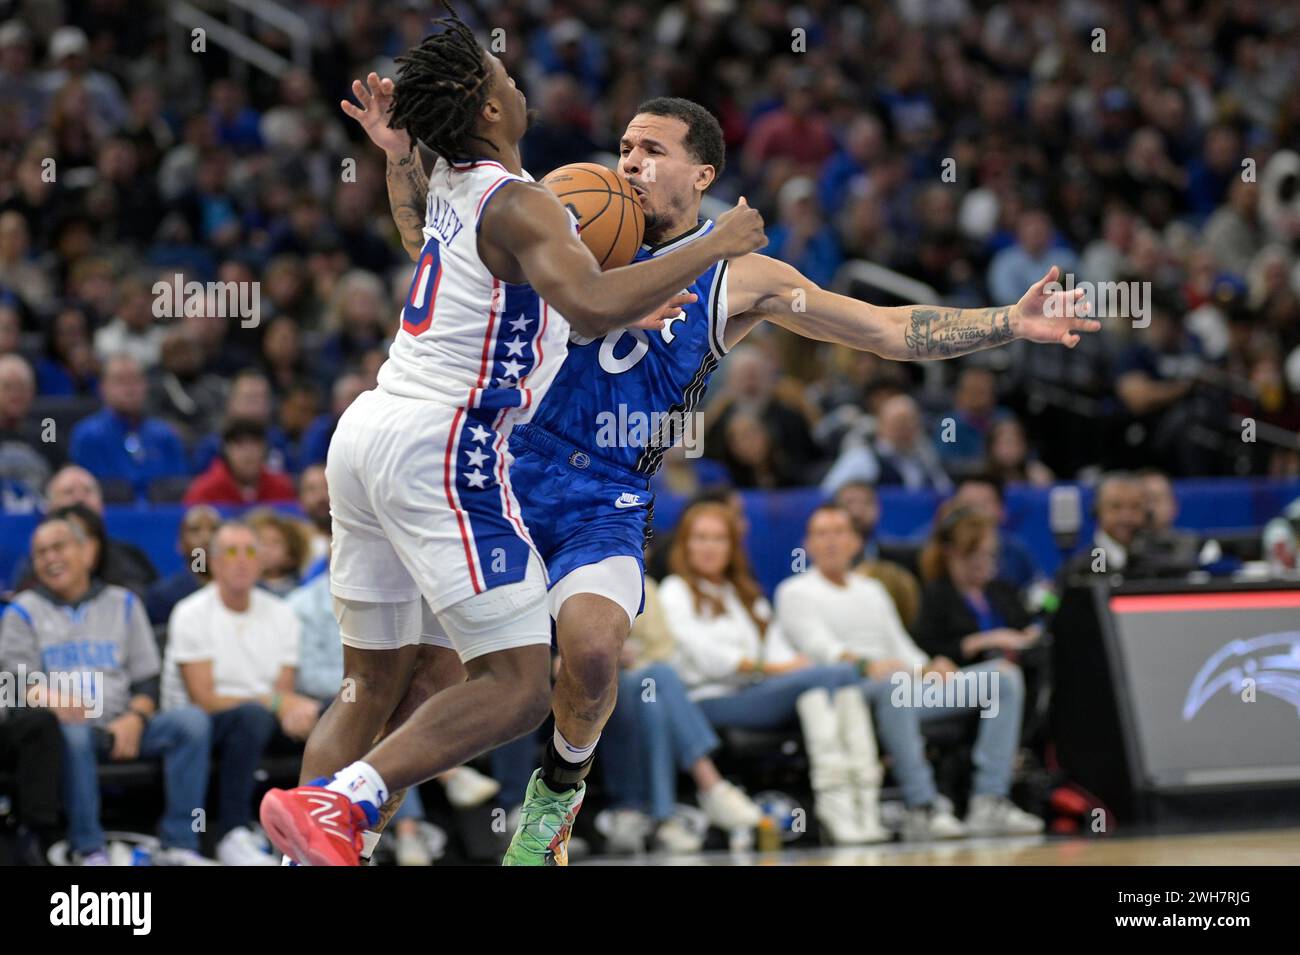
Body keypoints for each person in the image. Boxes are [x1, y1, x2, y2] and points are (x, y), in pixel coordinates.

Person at [366, 85, 1095, 864]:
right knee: (432, 683)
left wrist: (1008, 323)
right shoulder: (565, 222)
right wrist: (401, 159)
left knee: (594, 653)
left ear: (703, 173)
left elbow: (882, 330)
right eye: (625, 146)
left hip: (605, 492)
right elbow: (434, 245)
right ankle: (358, 826)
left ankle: (555, 799)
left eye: (654, 150)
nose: (632, 160)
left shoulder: (737, 275)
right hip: (507, 469)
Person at [259, 6, 765, 868]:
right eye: (504, 82)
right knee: (522, 682)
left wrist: (397, 158)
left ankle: (303, 849)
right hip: (441, 444)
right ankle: (347, 802)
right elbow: (592, 303)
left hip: (366, 431)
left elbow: (423, 235)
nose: (518, 85)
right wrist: (717, 241)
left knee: (370, 682)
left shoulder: (457, 182)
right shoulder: (526, 203)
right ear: (490, 113)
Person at [776, 505, 1044, 839]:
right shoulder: (795, 591)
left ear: (856, 542)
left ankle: (989, 799)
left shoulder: (871, 590)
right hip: (848, 692)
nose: (831, 541)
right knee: (892, 686)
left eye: (839, 532)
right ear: (808, 544)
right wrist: (865, 664)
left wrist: (930, 665)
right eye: (821, 534)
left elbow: (900, 645)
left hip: (900, 685)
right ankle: (922, 805)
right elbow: (819, 648)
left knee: (1002, 678)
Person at [662, 501, 889, 844]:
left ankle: (862, 805)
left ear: (732, 546)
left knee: (832, 678)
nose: (709, 547)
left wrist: (789, 665)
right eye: (700, 538)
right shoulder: (674, 591)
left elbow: (775, 644)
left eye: (719, 539)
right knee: (832, 675)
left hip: (757, 691)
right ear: (685, 544)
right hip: (708, 699)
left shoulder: (743, 592)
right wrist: (773, 668)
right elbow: (705, 656)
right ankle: (836, 803)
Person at [0, 516, 214, 865]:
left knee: (191, 723)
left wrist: (136, 718)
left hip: (123, 725)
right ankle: (89, 848)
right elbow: (14, 682)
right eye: (40, 552)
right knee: (71, 733)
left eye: (59, 547)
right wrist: (54, 701)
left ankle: (181, 843)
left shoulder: (124, 603)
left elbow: (147, 679)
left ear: (86, 552)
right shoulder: (21, 611)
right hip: (68, 730)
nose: (50, 558)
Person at [162, 521, 312, 865]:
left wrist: (295, 708)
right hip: (201, 728)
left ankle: (326, 832)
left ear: (261, 562)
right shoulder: (190, 612)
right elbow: (205, 698)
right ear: (212, 562)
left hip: (265, 719)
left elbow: (285, 694)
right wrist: (269, 701)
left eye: (250, 552)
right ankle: (232, 832)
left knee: (333, 714)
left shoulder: (282, 612)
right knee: (252, 717)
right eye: (230, 552)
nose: (241, 561)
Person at [596, 575, 763, 853]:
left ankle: (663, 818)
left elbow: (664, 649)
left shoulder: (644, 585)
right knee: (658, 678)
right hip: (594, 681)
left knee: (654, 701)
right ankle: (711, 786)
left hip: (642, 678)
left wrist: (637, 661)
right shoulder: (565, 579)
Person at [68, 354, 188, 497]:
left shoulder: (165, 435)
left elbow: (181, 488)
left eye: (136, 380)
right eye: (120, 381)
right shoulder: (88, 436)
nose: (130, 388)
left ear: (146, 386)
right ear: (102, 388)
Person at [832, 480, 921, 630]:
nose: (857, 511)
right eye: (849, 503)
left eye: (866, 503)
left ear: (878, 510)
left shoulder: (900, 558)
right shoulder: (811, 558)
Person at [182, 419, 297, 507]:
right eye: (240, 445)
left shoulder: (281, 488)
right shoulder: (204, 491)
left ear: (265, 449)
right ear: (226, 450)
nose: (248, 453)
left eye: (255, 444)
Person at [144, 505, 221, 626]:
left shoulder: (245, 590)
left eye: (214, 529)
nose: (206, 537)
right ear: (180, 544)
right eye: (195, 530)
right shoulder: (164, 596)